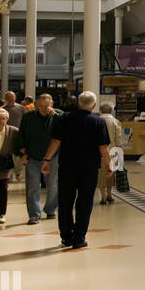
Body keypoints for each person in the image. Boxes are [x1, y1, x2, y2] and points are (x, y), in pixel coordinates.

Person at [42, 91, 111, 250]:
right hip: (89, 168)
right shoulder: (98, 122)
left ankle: (66, 236)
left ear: (79, 103)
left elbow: (56, 141)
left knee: (65, 201)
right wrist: (110, 165)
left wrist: (46, 160)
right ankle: (79, 237)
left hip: (67, 166)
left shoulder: (64, 118)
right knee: (85, 202)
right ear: (93, 105)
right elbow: (103, 148)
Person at [18, 93, 59, 224]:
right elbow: (21, 136)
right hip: (33, 157)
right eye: (41, 106)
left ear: (51, 104)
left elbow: (68, 128)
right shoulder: (28, 117)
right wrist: (22, 154)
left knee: (52, 185)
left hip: (52, 157)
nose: (43, 109)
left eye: (46, 106)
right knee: (33, 186)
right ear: (36, 105)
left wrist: (56, 116)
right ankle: (34, 214)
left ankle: (50, 209)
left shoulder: (58, 116)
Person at [96, 102, 124, 205]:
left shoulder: (97, 121)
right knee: (111, 174)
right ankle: (109, 195)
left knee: (101, 175)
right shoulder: (115, 122)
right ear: (112, 110)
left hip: (99, 152)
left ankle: (102, 197)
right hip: (113, 151)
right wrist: (120, 153)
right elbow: (118, 139)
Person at [3, 90, 26, 181]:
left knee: (19, 154)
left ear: (15, 98)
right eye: (9, 98)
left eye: (12, 98)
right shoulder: (3, 109)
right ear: (6, 99)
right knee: (9, 154)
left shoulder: (21, 108)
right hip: (7, 134)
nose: (11, 100)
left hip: (19, 134)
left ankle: (18, 172)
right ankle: (10, 174)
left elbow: (25, 120)